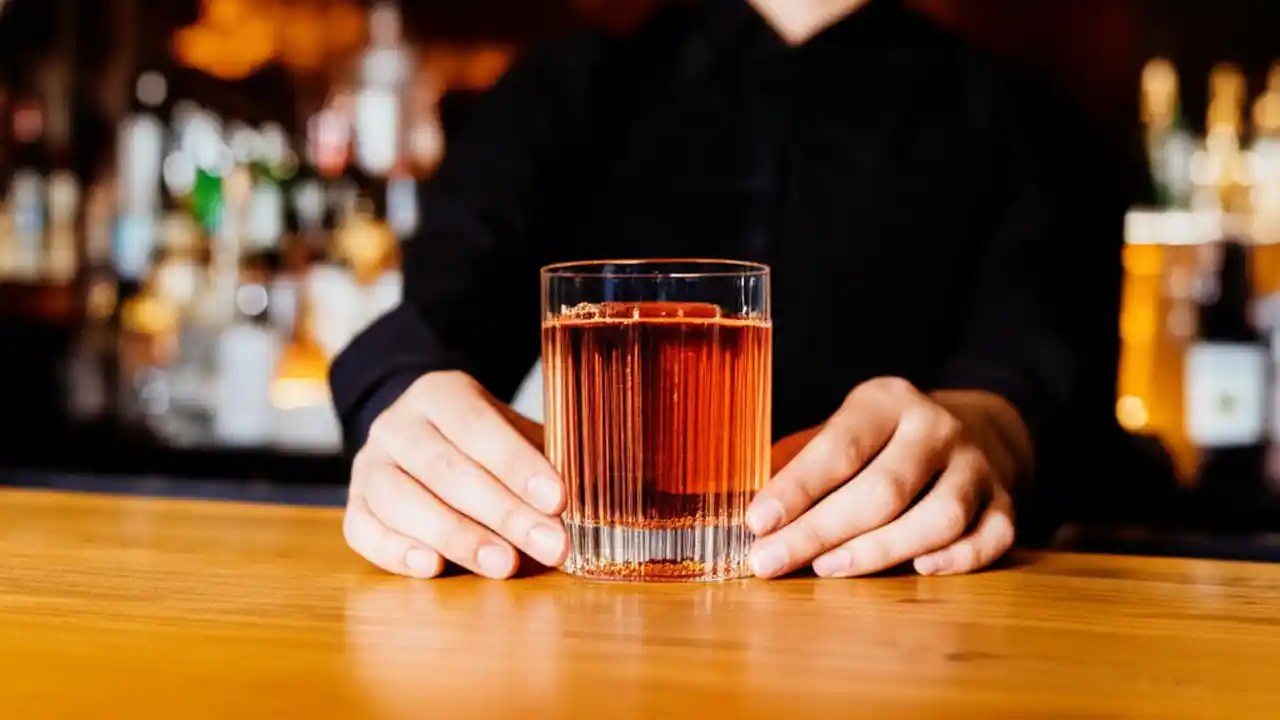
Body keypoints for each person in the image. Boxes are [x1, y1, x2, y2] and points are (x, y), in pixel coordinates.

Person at [329, 0, 1127, 580]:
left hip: (892, 631)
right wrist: (404, 419)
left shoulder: (1028, 120)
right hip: (598, 630)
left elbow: (1045, 373)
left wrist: (982, 436)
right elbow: (426, 330)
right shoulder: (572, 89)